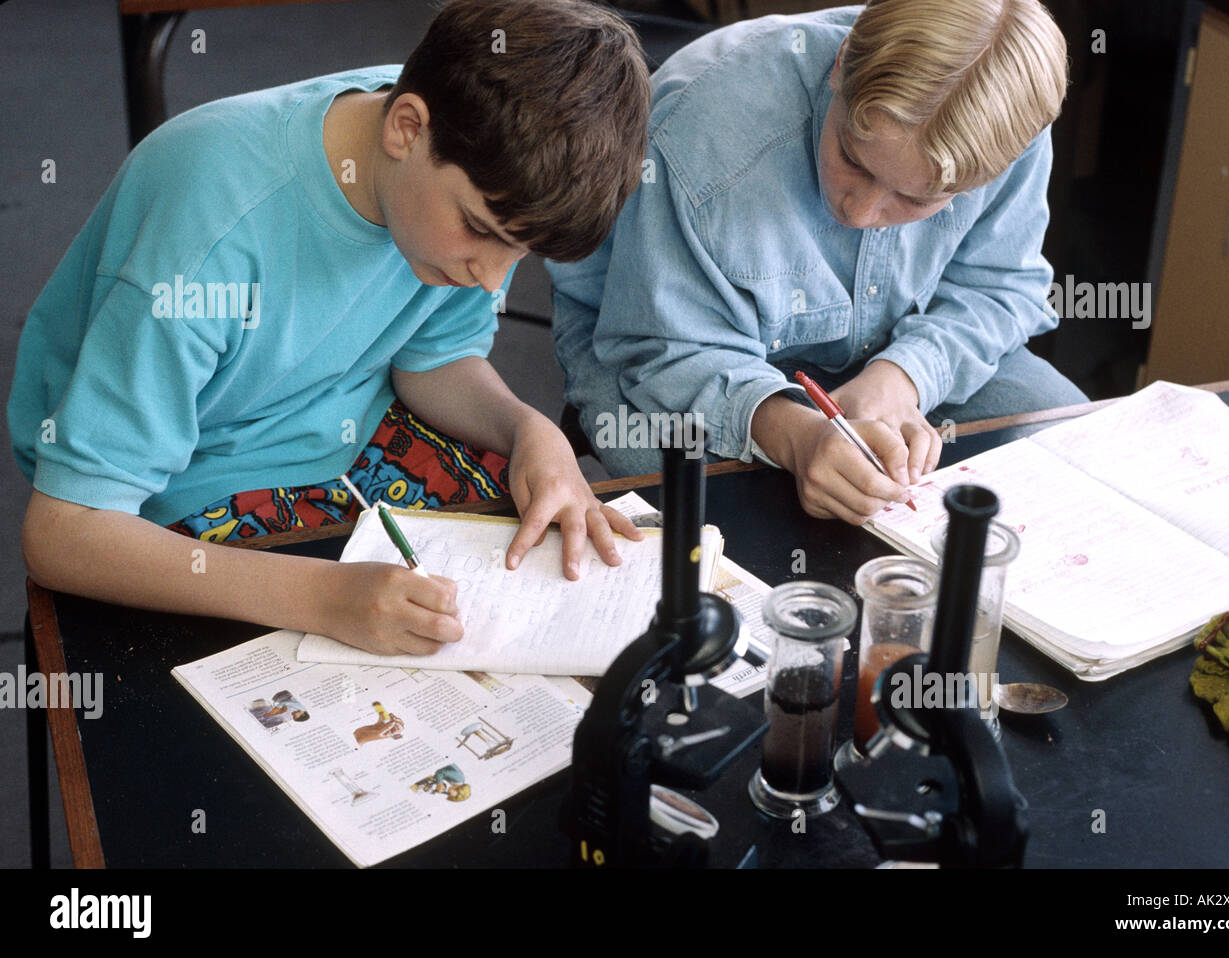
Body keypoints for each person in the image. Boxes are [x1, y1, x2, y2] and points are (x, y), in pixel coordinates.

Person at [11, 0, 650, 655]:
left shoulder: (474, 168)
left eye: (519, 253)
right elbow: (65, 530)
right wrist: (321, 598)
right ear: (406, 128)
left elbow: (433, 357)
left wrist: (527, 430)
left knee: (529, 602)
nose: (492, 278)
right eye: (481, 233)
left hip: (360, 428)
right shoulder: (211, 229)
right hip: (184, 475)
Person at [548, 0, 1086, 525]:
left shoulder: (1005, 125)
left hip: (892, 348)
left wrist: (902, 378)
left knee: (1070, 450)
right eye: (853, 158)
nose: (860, 212)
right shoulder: (706, 134)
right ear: (841, 64)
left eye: (917, 199)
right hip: (661, 354)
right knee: (721, 535)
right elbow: (665, 350)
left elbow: (999, 289)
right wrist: (797, 436)